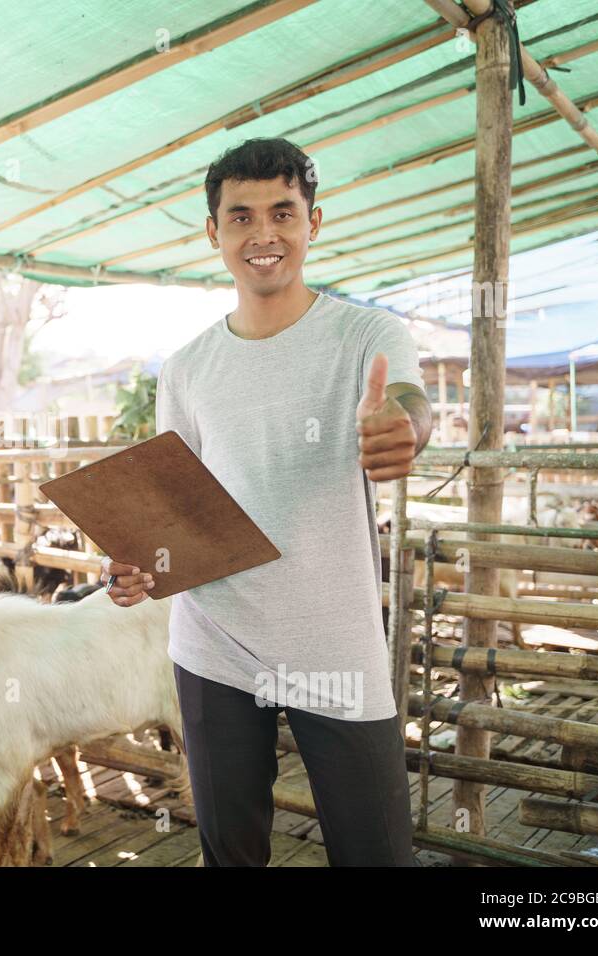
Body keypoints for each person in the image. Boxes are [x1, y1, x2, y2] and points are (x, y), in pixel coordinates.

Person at [102, 137, 432, 867]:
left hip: (334, 641)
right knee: (232, 854)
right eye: (241, 216)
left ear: (315, 222)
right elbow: (175, 508)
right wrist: (139, 567)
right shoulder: (186, 368)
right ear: (213, 232)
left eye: (283, 212)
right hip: (213, 641)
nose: (264, 234)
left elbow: (408, 404)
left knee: (377, 852)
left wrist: (403, 429)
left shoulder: (367, 334)